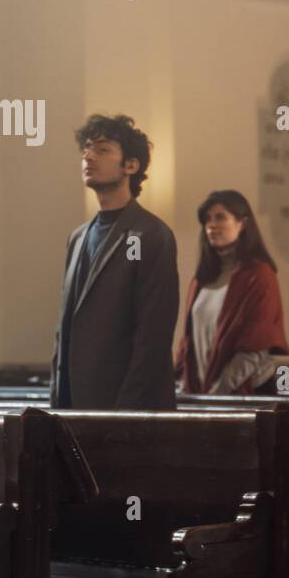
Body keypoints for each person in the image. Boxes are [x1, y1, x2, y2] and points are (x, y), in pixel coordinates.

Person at [51, 114, 179, 410]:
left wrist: (125, 416)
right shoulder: (78, 237)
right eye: (86, 148)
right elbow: (65, 328)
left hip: (125, 410)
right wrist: (58, 403)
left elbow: (153, 337)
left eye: (102, 149)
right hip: (75, 407)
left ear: (131, 165)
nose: (88, 156)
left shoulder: (151, 234)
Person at [174, 190, 288, 395]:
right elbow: (188, 341)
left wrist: (217, 394)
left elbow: (255, 347)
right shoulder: (202, 279)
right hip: (204, 391)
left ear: (242, 224)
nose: (211, 225)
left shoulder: (259, 275)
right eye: (207, 219)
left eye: (220, 217)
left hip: (247, 391)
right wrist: (185, 388)